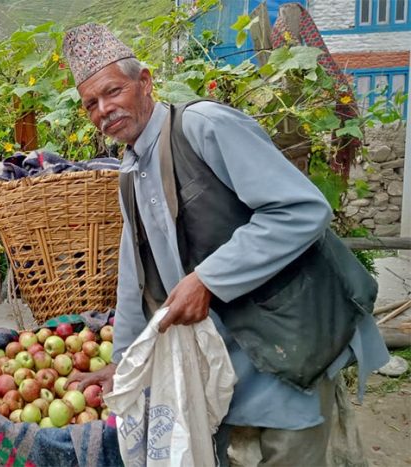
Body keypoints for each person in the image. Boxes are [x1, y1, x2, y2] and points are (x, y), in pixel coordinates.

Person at [62, 23, 389, 465]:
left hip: (285, 340)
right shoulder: (130, 170)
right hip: (226, 358)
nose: (104, 109)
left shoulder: (202, 126)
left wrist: (210, 279)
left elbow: (301, 209)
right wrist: (124, 361)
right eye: (91, 104)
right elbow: (133, 278)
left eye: (113, 91)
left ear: (144, 83)